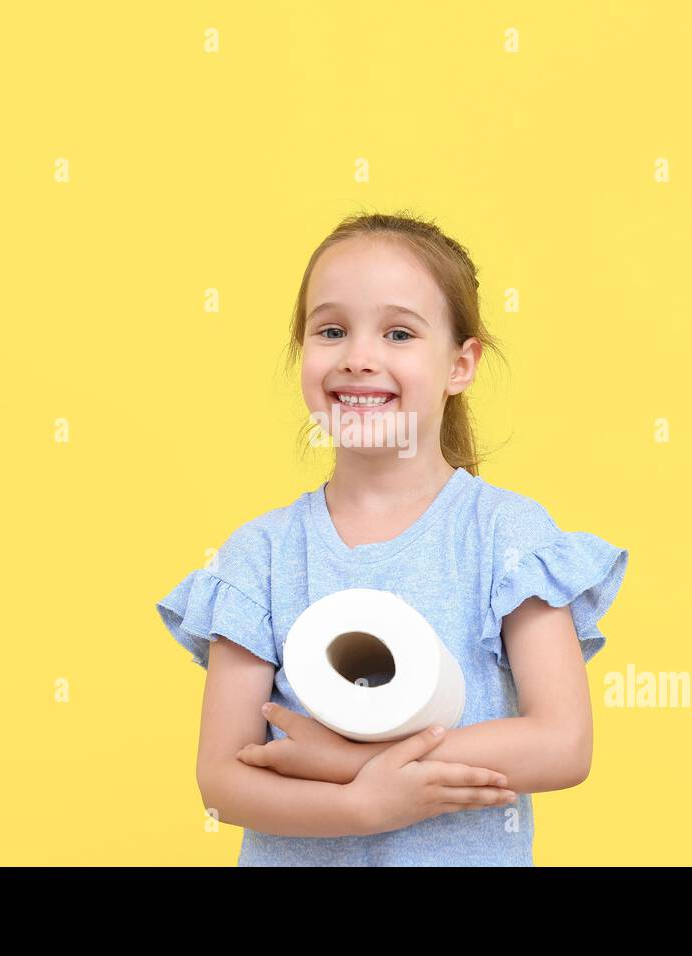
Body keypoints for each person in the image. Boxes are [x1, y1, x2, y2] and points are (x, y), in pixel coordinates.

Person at [155, 210, 629, 865]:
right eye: (331, 330)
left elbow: (561, 743)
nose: (358, 358)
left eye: (399, 332)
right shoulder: (260, 556)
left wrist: (353, 758)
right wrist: (363, 802)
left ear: (461, 365)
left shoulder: (507, 538)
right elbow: (223, 780)